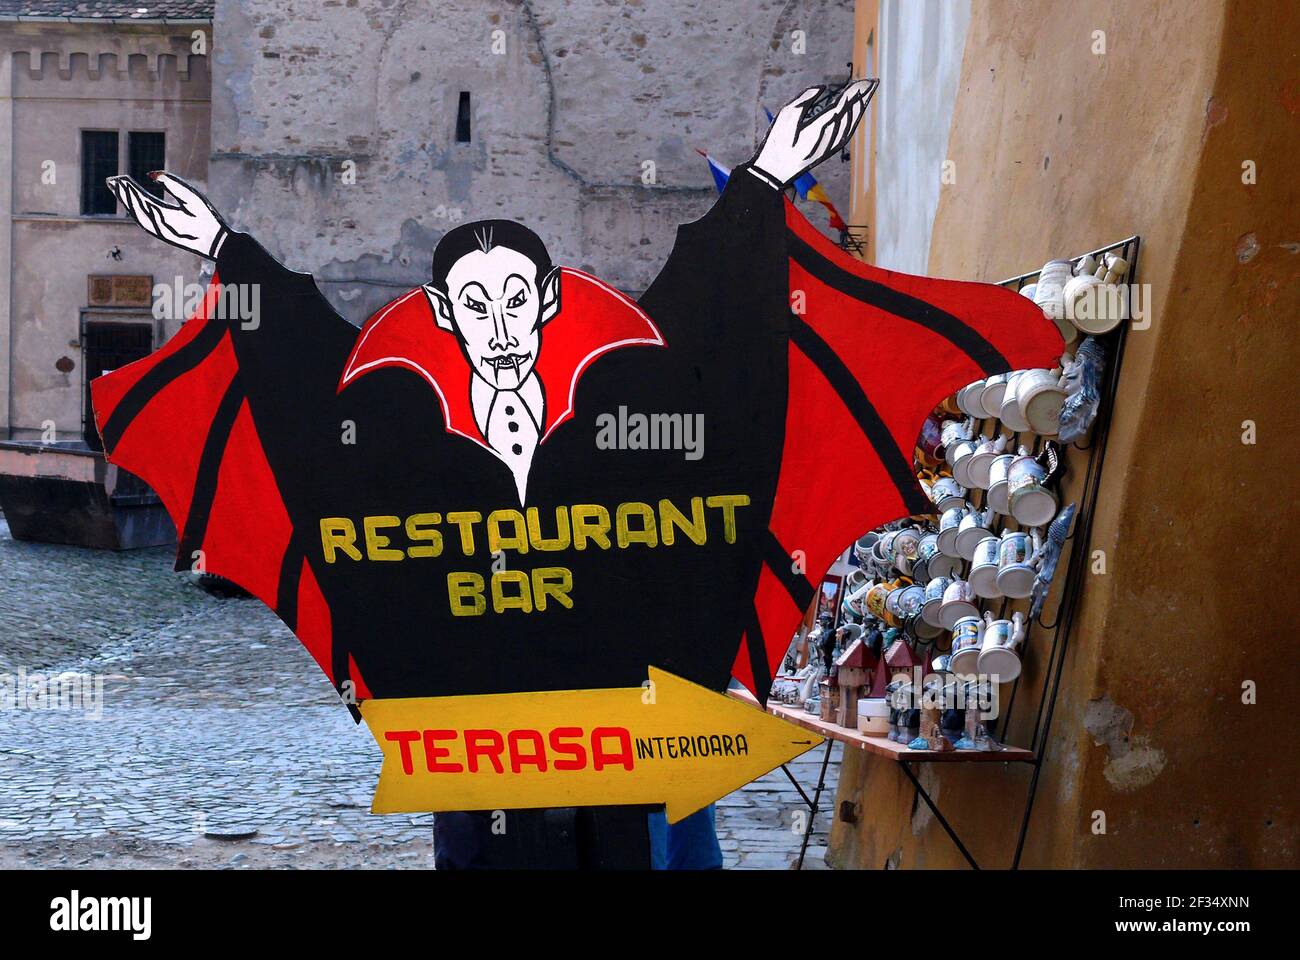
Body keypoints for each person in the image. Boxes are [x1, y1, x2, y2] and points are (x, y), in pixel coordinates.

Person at [94, 78, 1062, 868]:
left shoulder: (616, 425)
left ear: (551, 300)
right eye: (477, 306)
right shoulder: (395, 433)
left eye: (520, 299)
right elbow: (301, 373)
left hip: (611, 753)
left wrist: (767, 181)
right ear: (441, 317)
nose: (503, 326)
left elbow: (716, 343)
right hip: (478, 755)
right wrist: (219, 248)